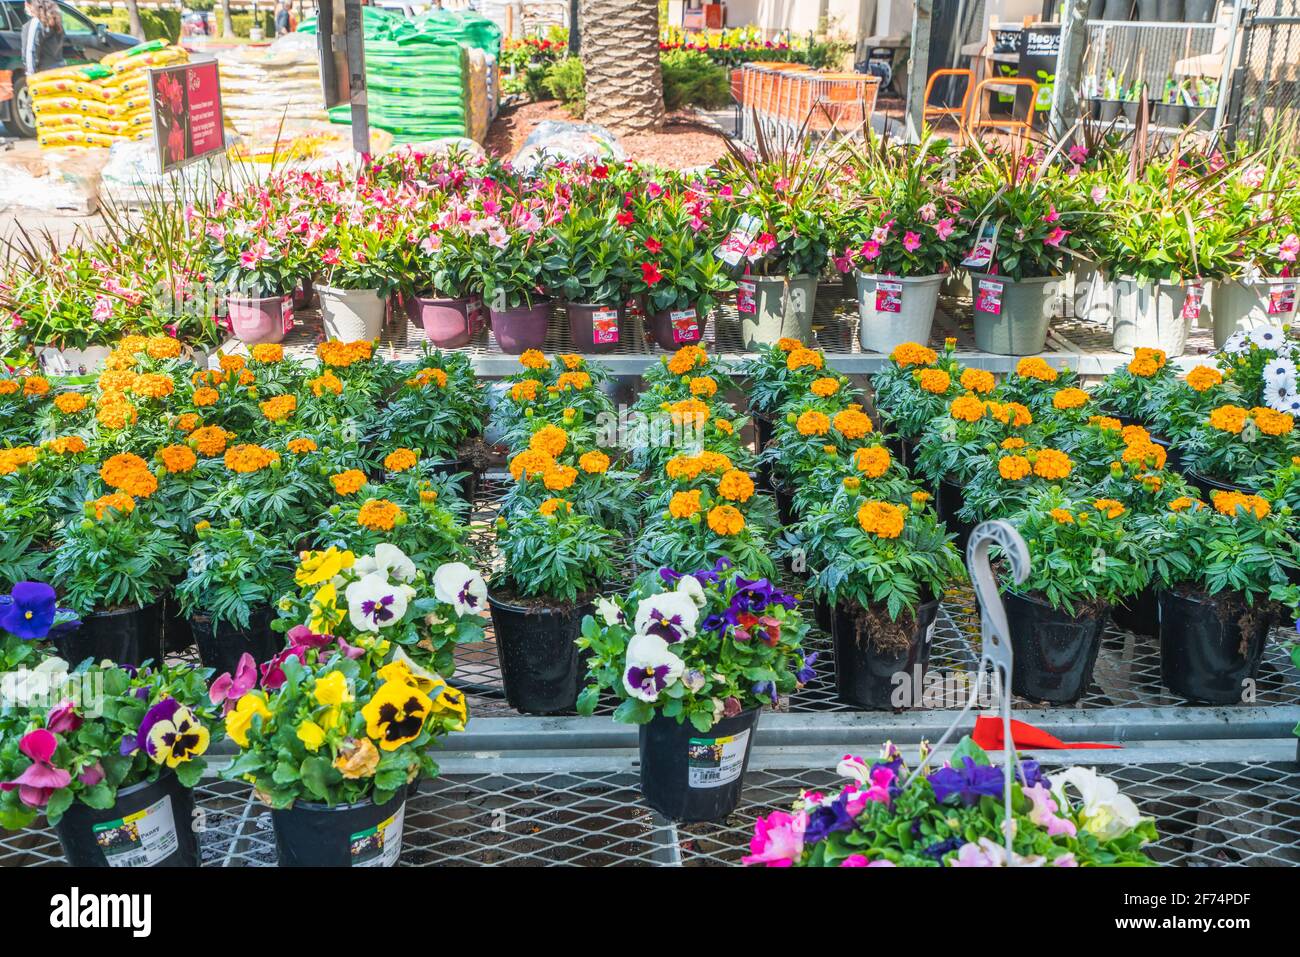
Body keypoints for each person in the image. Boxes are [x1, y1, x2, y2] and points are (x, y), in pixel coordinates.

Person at [21, 0, 66, 78]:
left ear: (29, 5)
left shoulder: (35, 23)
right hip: (60, 69)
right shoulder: (55, 20)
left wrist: (30, 75)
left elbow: (30, 51)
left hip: (44, 73)